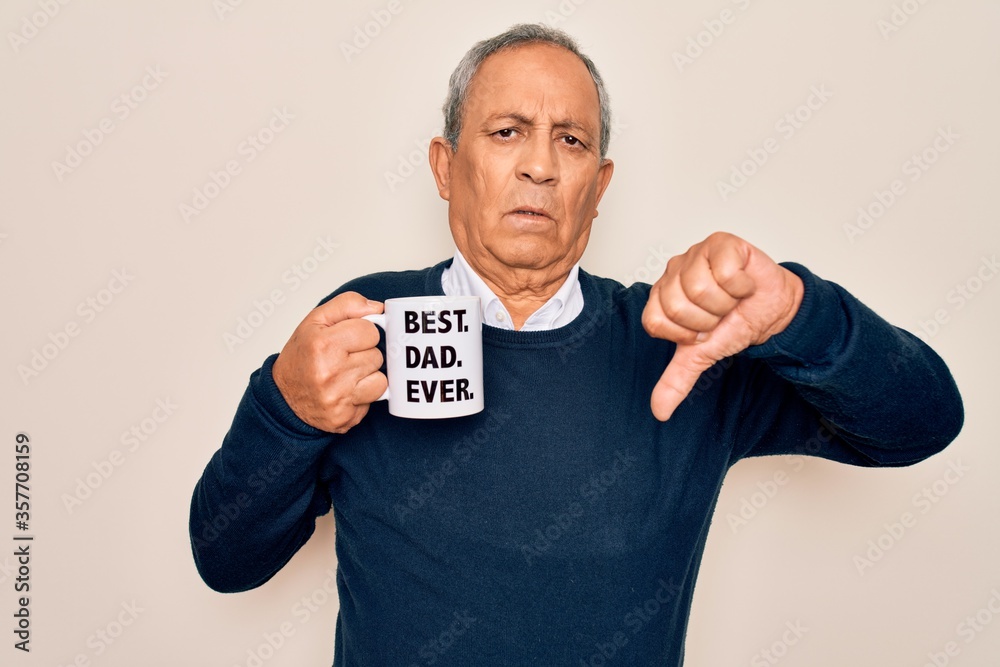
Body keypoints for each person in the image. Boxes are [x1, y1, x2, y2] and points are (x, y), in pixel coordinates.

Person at [189, 23, 963, 666]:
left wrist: (800, 311)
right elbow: (226, 561)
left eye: (570, 140)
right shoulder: (364, 325)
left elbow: (922, 423)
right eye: (507, 132)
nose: (539, 165)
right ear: (445, 167)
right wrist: (285, 409)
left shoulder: (682, 342)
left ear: (599, 185)